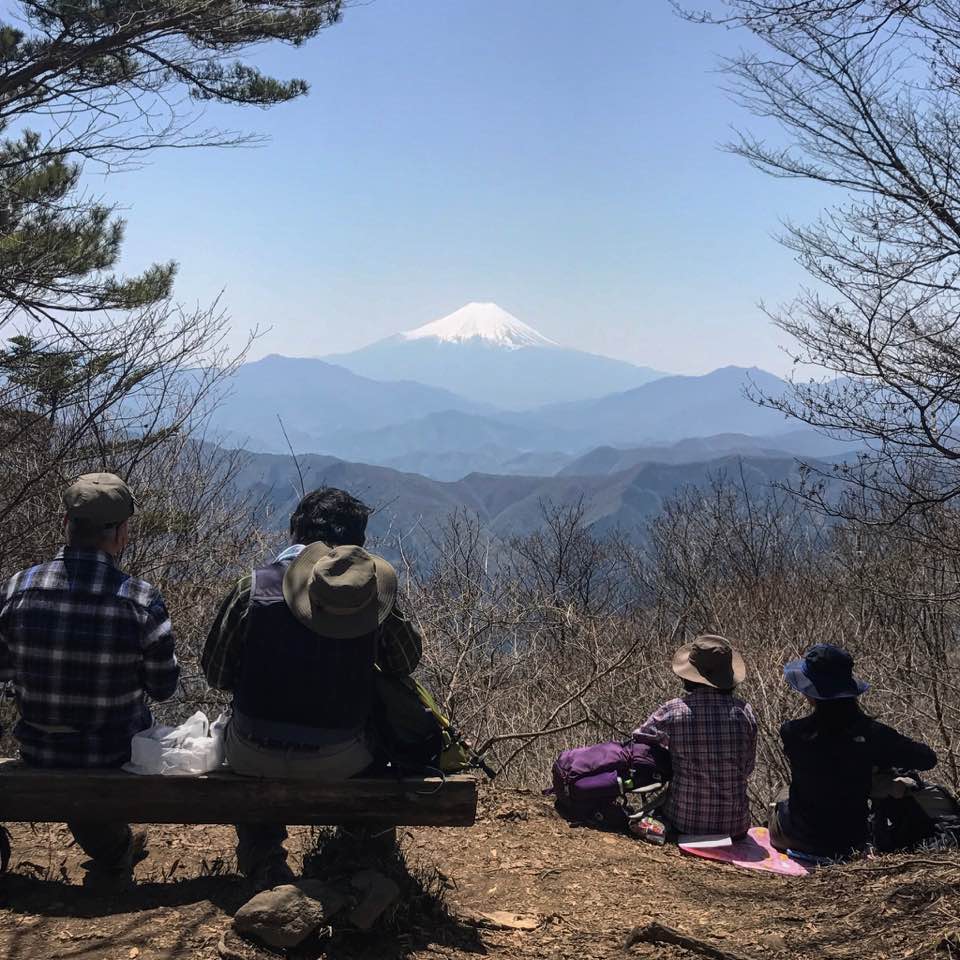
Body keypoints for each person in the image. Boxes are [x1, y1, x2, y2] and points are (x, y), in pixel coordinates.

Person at [202, 487, 422, 889]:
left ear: (294, 531)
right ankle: (366, 855)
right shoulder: (367, 596)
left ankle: (263, 856)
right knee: (383, 745)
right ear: (360, 543)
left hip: (251, 750)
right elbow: (405, 663)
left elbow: (216, 674)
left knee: (250, 735)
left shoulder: (251, 589)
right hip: (344, 757)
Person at [0, 473, 179, 889]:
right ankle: (115, 854)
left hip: (40, 747)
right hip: (114, 753)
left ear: (66, 523)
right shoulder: (140, 599)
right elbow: (164, 686)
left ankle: (115, 853)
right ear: (118, 534)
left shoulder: (17, 588)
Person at [769, 644, 937, 861]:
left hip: (798, 837)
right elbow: (927, 758)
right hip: (850, 842)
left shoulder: (791, 732)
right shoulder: (874, 734)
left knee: (783, 794)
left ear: (811, 691)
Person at [633, 635, 757, 839]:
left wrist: (669, 758)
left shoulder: (673, 710)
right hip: (735, 826)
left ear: (689, 676)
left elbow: (639, 741)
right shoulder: (745, 712)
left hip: (684, 823)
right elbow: (747, 768)